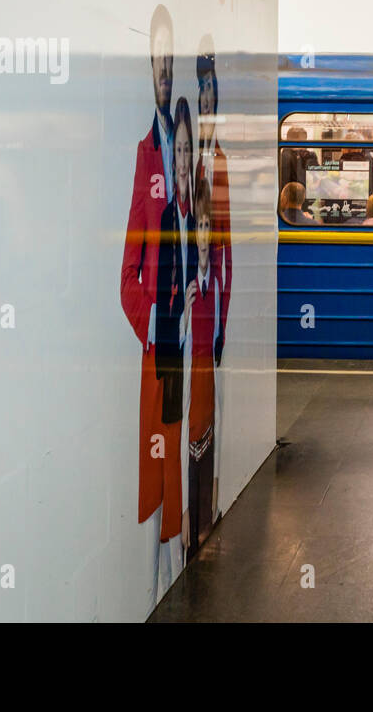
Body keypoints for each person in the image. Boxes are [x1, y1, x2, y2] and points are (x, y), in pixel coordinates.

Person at [119, 4, 181, 606]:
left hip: (184, 344)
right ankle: (150, 583)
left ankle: (172, 571)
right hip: (158, 342)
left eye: (171, 62)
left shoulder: (181, 153)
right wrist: (153, 330)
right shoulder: (146, 155)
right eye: (157, 62)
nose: (164, 74)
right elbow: (127, 274)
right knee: (154, 459)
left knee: (175, 457)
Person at [155, 97, 197, 581]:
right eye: (179, 151)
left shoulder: (193, 212)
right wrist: (177, 311)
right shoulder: (170, 217)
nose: (183, 159)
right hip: (174, 355)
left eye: (188, 152)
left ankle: (182, 535)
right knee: (169, 446)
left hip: (194, 356)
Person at [187, 177, 220, 558]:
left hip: (206, 377)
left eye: (208, 225)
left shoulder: (214, 278)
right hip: (192, 379)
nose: (204, 234)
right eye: (198, 226)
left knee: (205, 442)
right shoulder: (189, 283)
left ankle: (201, 522)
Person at [195, 35, 231, 373]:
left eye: (211, 88)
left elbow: (225, 250)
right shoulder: (188, 156)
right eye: (201, 87)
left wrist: (221, 327)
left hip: (209, 297)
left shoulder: (217, 160)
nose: (206, 97)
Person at [279, 127, 318, 191]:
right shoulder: (286, 157)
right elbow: (286, 183)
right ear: (294, 141)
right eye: (303, 141)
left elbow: (315, 169)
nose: (305, 144)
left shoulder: (303, 154)